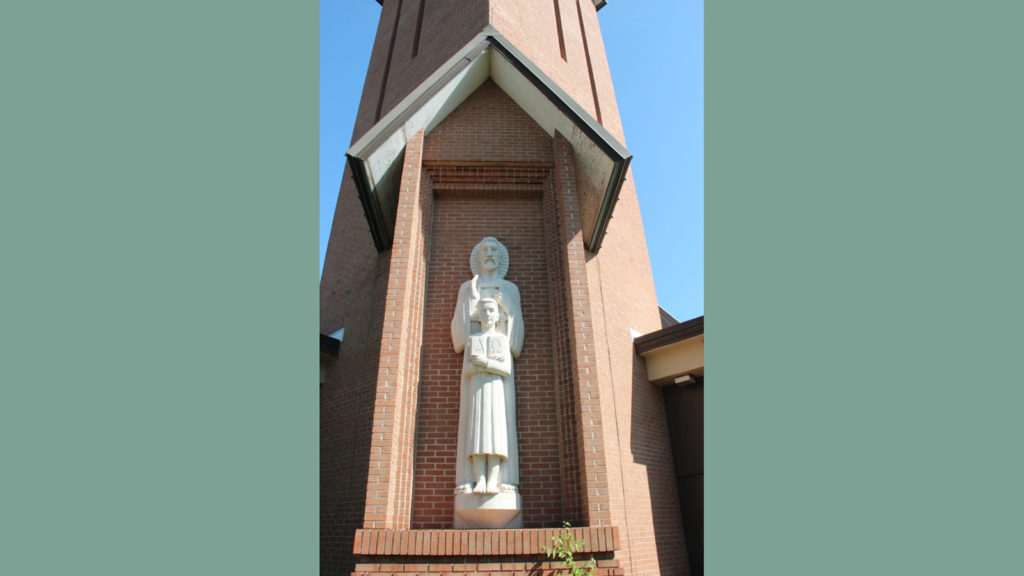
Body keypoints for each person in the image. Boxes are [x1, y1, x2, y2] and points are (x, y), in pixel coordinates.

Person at [451, 237, 524, 494]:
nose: (490, 254)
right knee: (474, 425)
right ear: (478, 257)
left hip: (500, 372)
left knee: (498, 424)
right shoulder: (467, 288)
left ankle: (503, 480)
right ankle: (471, 479)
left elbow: (516, 342)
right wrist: (470, 301)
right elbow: (459, 340)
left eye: (494, 250)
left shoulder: (509, 288)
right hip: (474, 368)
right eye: (485, 250)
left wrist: (506, 303)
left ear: (500, 257)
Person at [463, 298, 512, 494]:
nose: (488, 314)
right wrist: (478, 366)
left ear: (498, 315)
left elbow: (506, 369)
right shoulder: (472, 340)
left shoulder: (502, 340)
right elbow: (467, 369)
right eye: (483, 311)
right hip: (477, 388)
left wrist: (484, 363)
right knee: (478, 432)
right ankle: (479, 480)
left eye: (491, 311)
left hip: (495, 389)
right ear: (479, 316)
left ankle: (493, 481)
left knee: (494, 434)